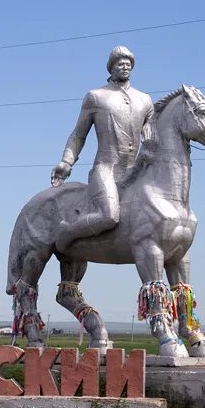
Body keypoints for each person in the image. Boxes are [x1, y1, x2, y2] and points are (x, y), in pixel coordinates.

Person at [51, 45, 153, 252]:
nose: (124, 66)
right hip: (106, 169)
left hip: (135, 172)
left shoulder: (145, 100)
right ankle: (68, 230)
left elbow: (152, 135)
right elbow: (79, 134)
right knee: (109, 215)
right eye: (119, 62)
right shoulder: (96, 97)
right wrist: (66, 161)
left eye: (128, 63)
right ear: (111, 67)